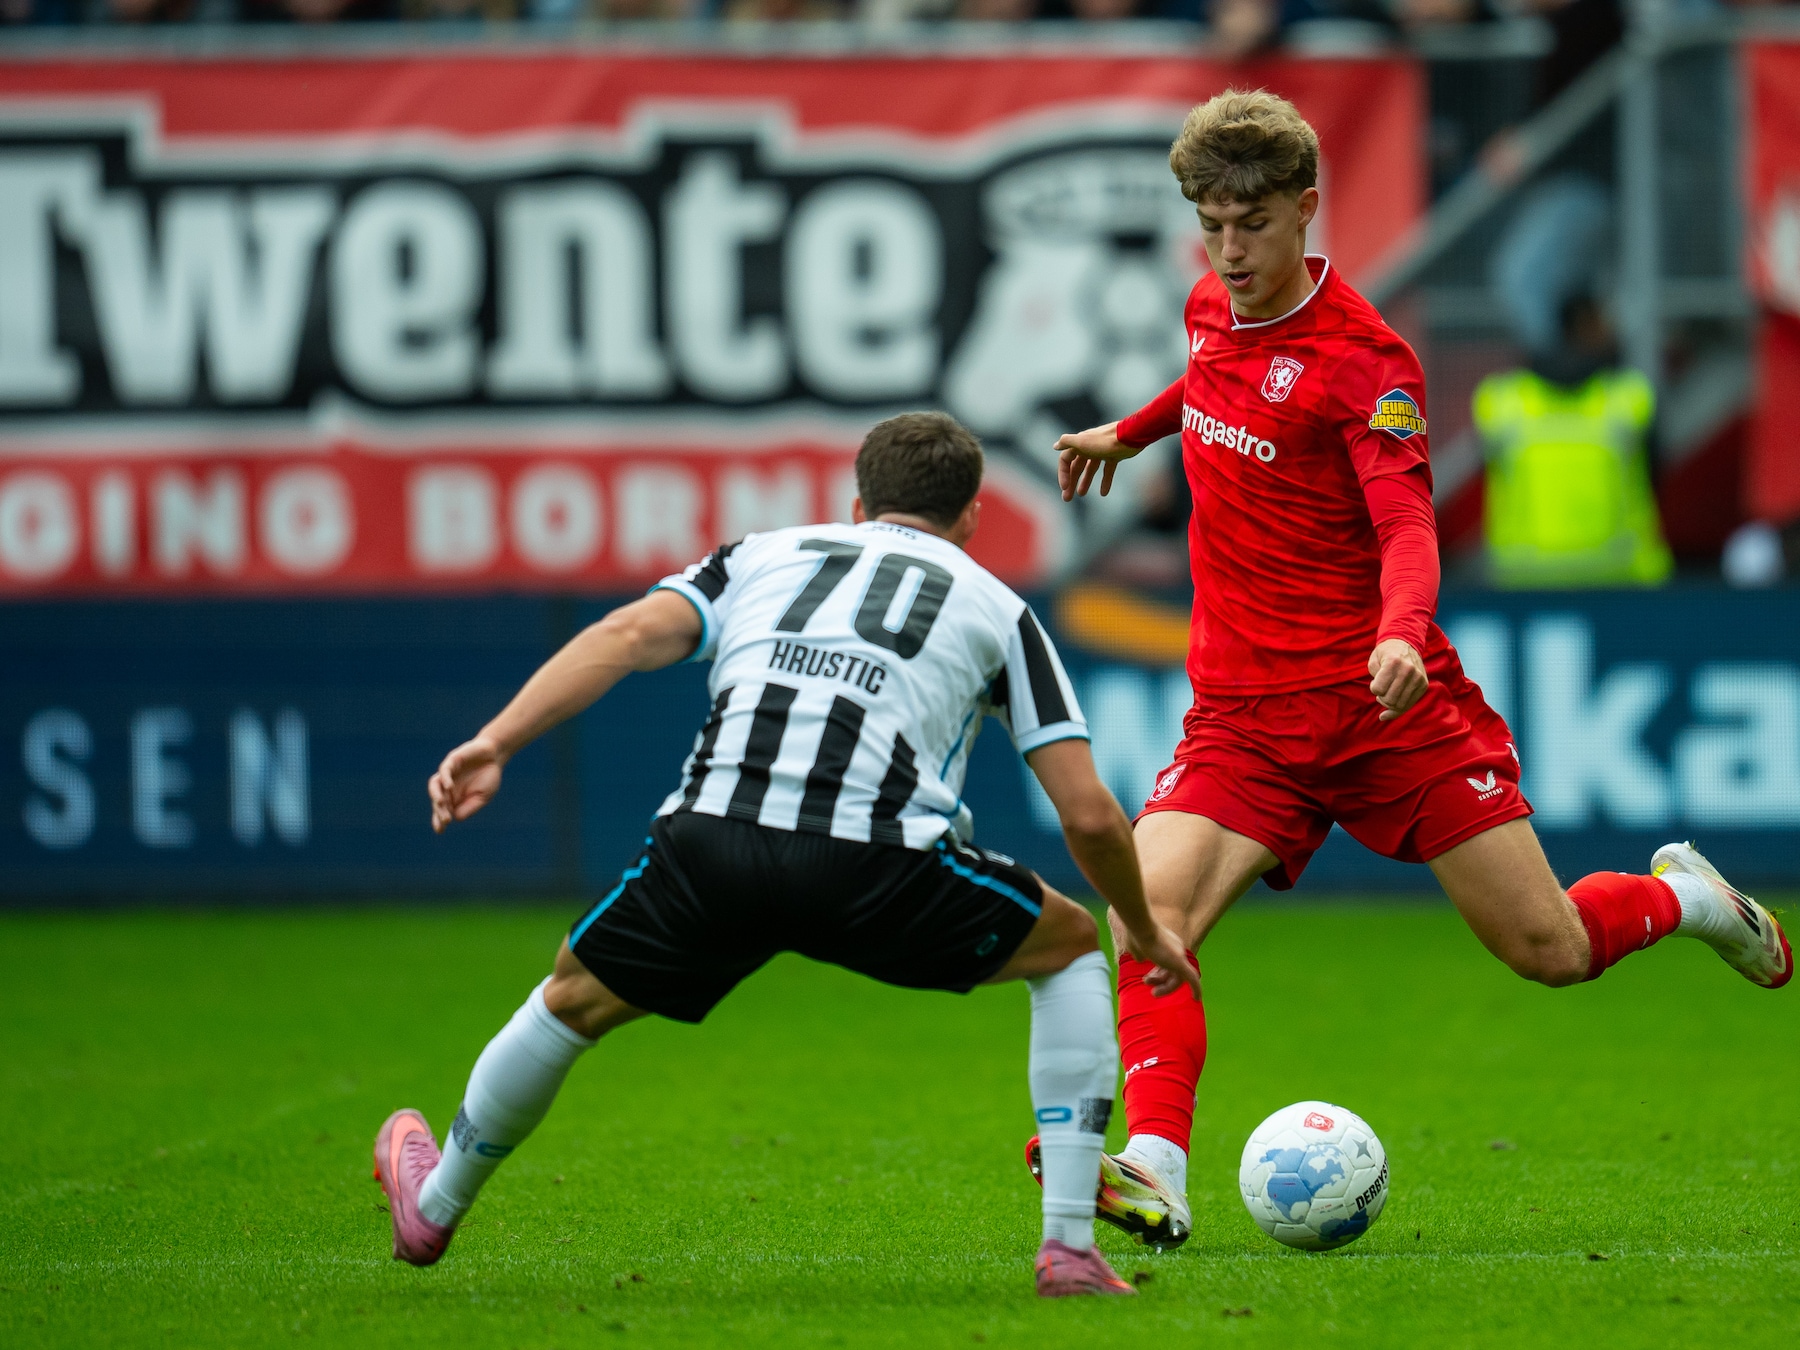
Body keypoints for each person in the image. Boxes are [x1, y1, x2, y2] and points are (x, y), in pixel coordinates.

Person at [1033, 89, 1792, 1251]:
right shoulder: (1209, 307)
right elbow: (1214, 379)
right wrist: (1129, 435)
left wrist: (1400, 628)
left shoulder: (1367, 362)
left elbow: (1405, 521)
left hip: (1389, 710)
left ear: (1305, 208)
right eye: (1211, 224)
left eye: (1252, 223)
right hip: (1244, 719)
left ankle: (1685, 899)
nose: (1230, 251)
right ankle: (1155, 1162)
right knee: (1147, 917)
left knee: (1551, 951)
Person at [375, 412, 1202, 1297]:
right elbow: (1088, 814)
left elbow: (622, 639)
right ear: (969, 519)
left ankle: (437, 1203)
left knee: (568, 1000)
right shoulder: (999, 606)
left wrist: (496, 742)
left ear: (856, 503)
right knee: (1074, 945)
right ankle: (1068, 1248)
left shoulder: (760, 555)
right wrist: (1146, 929)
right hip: (878, 866)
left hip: (714, 847)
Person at [1475, 293, 1673, 588]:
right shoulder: (1631, 399)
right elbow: (1658, 475)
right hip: (1624, 585)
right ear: (1583, 326)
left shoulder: (1501, 403)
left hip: (1524, 586)